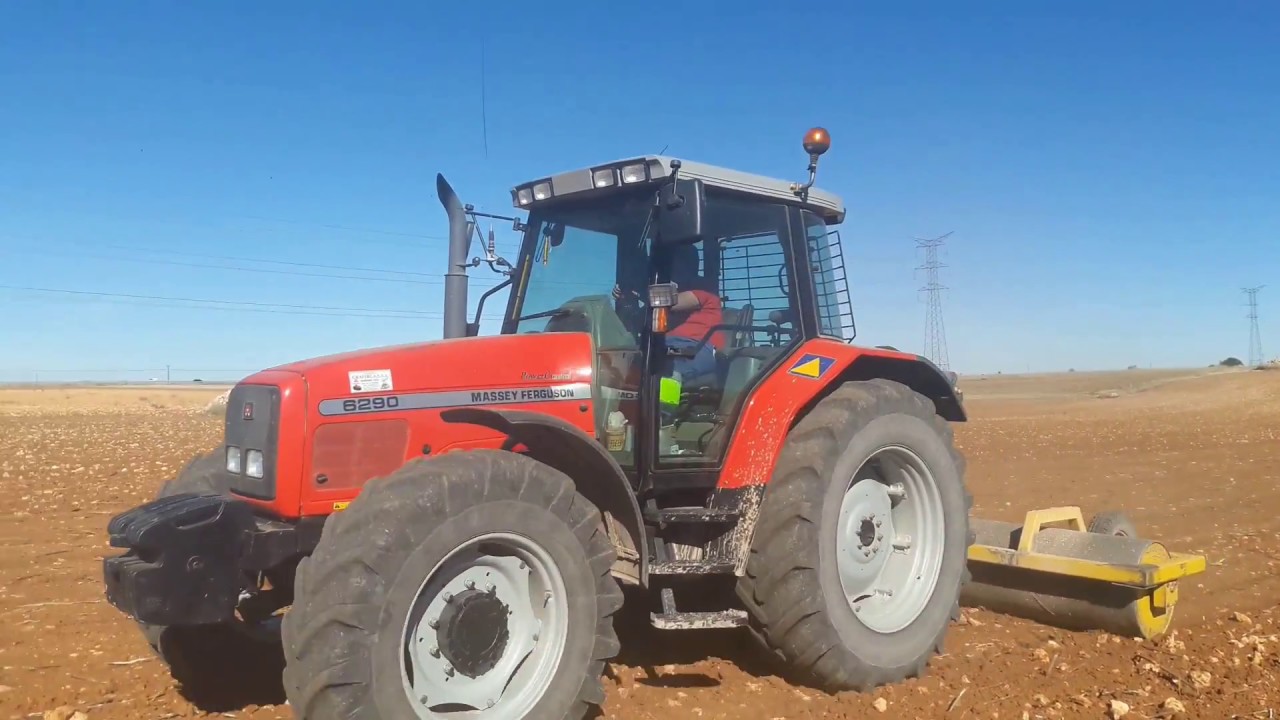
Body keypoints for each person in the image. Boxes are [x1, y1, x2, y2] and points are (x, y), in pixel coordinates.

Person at [613, 246, 722, 380]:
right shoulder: (665, 295)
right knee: (619, 369)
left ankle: (666, 401)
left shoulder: (704, 285)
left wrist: (639, 289)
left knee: (670, 372)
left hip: (698, 348)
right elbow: (638, 321)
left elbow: (669, 302)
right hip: (665, 346)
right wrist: (626, 297)